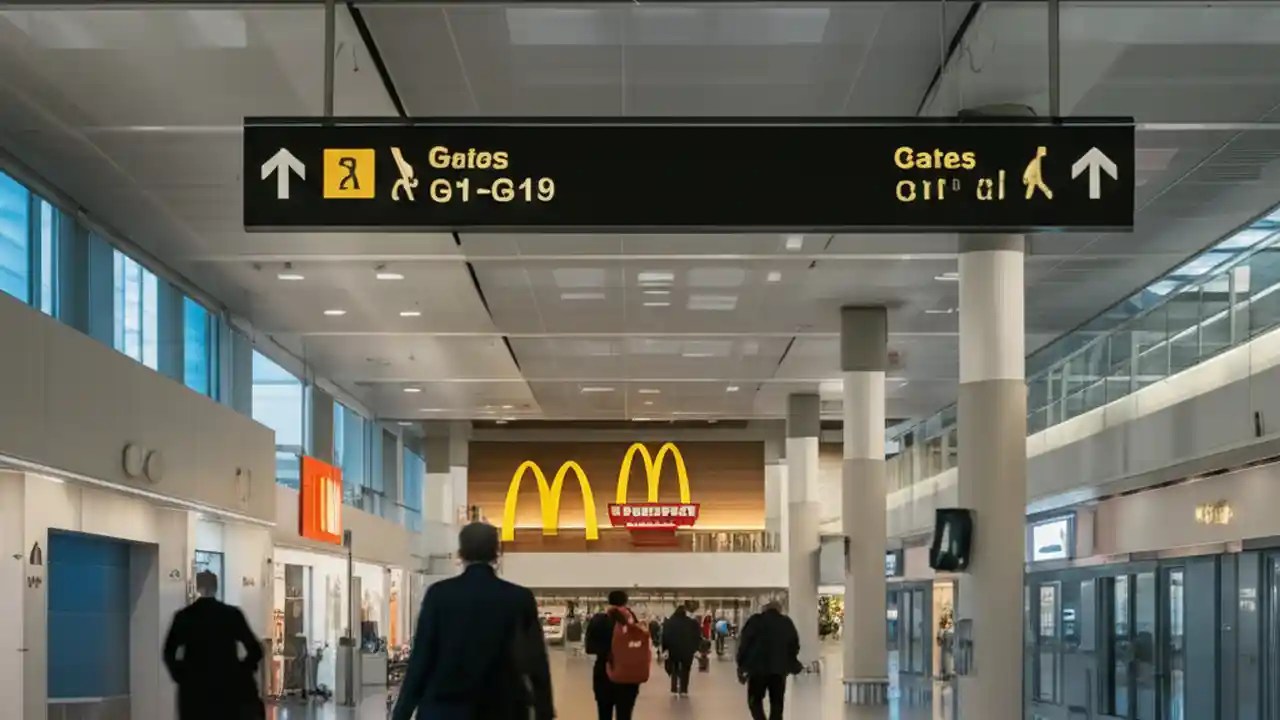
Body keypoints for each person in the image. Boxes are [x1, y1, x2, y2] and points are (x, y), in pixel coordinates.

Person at [392, 523, 553, 720]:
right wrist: (544, 711)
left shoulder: (439, 595)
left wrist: (402, 713)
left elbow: (421, 660)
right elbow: (536, 661)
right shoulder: (519, 599)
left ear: (461, 553)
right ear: (497, 552)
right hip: (504, 709)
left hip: (444, 710)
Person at [163, 570, 264, 720]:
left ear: (196, 587)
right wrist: (240, 671)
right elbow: (255, 650)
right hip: (227, 691)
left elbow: (168, 652)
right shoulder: (232, 615)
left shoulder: (184, 616)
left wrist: (181, 675)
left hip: (193, 693)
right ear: (216, 588)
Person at [736, 601, 801, 720]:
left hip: (757, 671)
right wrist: (790, 661)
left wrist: (741, 664)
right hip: (778, 671)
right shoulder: (786, 623)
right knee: (777, 704)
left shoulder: (755, 621)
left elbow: (744, 644)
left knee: (754, 701)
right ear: (779, 610)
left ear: (764, 609)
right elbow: (794, 645)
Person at [586, 590, 643, 720]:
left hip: (604, 673)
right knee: (625, 715)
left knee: (604, 715)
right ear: (625, 602)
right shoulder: (632, 621)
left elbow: (589, 648)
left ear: (609, 601)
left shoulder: (598, 620)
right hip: (628, 675)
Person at [661, 602, 702, 697]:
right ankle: (684, 690)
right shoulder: (692, 623)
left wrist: (665, 648)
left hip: (673, 650)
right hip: (687, 650)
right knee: (686, 670)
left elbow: (665, 636)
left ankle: (674, 689)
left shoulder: (669, 622)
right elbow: (697, 636)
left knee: (674, 669)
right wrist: (696, 648)